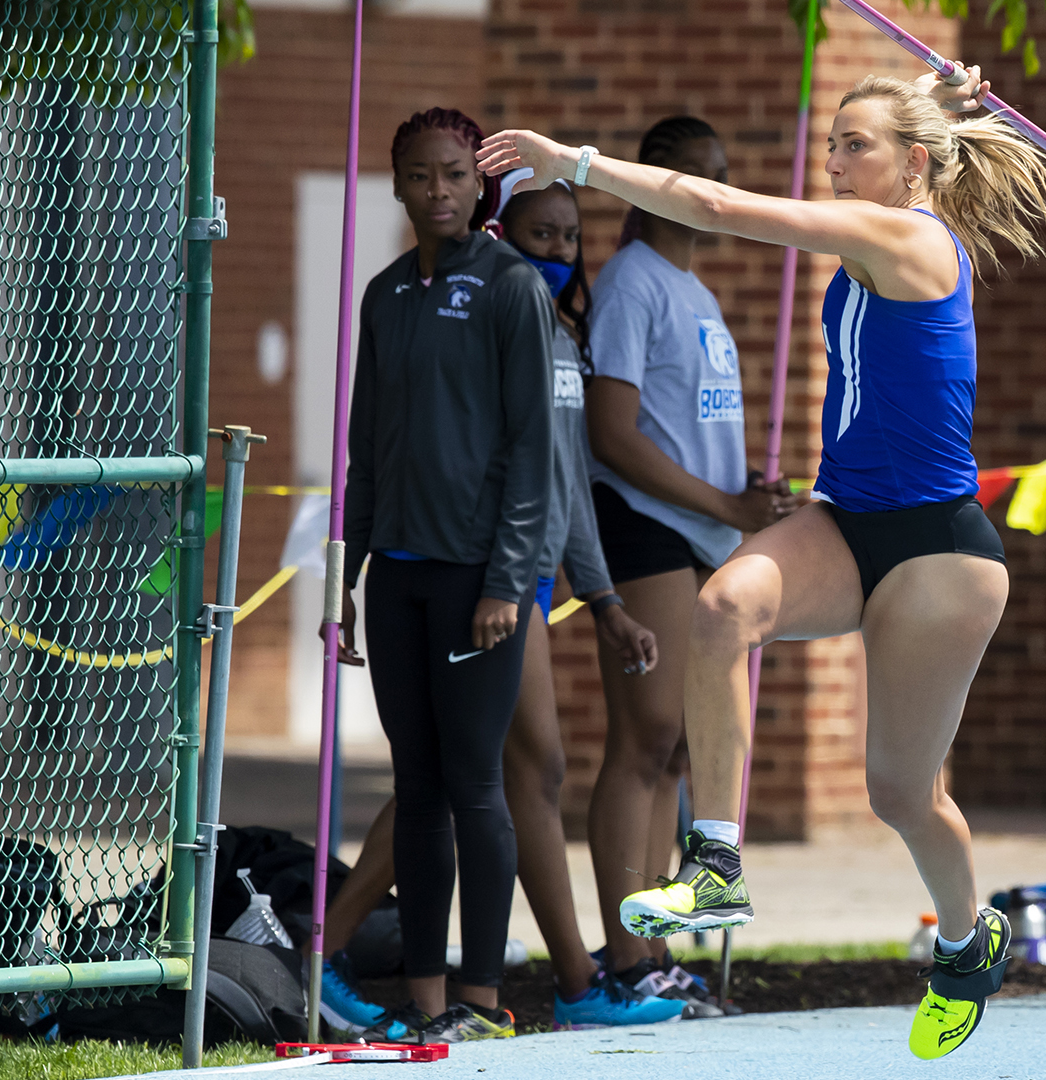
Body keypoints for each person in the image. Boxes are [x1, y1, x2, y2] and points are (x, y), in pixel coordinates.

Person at [478, 66, 1046, 1060]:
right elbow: (906, 131)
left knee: (899, 795)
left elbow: (713, 204)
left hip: (937, 549)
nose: (832, 161)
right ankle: (716, 861)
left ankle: (967, 942)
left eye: (854, 146)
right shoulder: (887, 220)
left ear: (914, 164)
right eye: (831, 143)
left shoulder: (911, 237)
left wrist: (571, 160)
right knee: (724, 605)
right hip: (847, 520)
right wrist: (940, 91)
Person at [312, 173, 687, 1035]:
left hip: (525, 585)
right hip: (487, 581)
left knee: (509, 775)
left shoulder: (554, 332)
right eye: (539, 232)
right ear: (498, 229)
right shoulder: (485, 318)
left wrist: (600, 597)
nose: (556, 250)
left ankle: (570, 978)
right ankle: (329, 954)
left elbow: (566, 485)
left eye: (568, 236)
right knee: (469, 776)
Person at [329, 106, 554, 1045]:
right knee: (415, 785)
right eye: (421, 176)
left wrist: (508, 580)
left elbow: (532, 447)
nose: (439, 192)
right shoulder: (384, 295)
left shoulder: (510, 288)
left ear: (481, 182)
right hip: (398, 580)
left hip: (477, 584)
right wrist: (349, 573)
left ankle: (480, 999)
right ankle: (421, 1003)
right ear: (396, 185)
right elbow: (366, 451)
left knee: (474, 786)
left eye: (456, 174)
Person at [565, 116, 787, 1011]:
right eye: (703, 176)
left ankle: (650, 951)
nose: (716, 193)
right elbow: (613, 436)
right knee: (647, 738)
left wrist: (747, 498)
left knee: (681, 747)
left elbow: (688, 426)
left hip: (703, 538)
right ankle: (621, 964)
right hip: (645, 529)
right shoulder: (632, 285)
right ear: (654, 181)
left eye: (725, 175)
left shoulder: (694, 290)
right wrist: (723, 504)